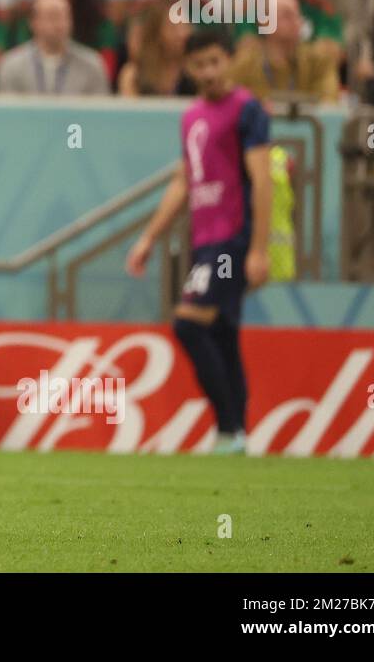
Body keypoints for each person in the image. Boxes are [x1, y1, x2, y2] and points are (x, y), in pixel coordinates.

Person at [126, 28, 273, 455]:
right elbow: (185, 180)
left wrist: (259, 249)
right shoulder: (191, 116)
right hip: (204, 236)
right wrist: (148, 237)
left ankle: (228, 430)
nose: (208, 72)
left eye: (214, 61)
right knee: (224, 333)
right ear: (188, 67)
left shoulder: (247, 110)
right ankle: (236, 434)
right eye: (199, 64)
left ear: (228, 60)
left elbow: (262, 181)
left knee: (188, 323)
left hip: (231, 237)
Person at [0, 0, 110, 95]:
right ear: (33, 22)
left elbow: (100, 114)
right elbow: (7, 114)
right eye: (53, 16)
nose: (60, 23)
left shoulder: (92, 65)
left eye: (65, 16)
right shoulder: (11, 66)